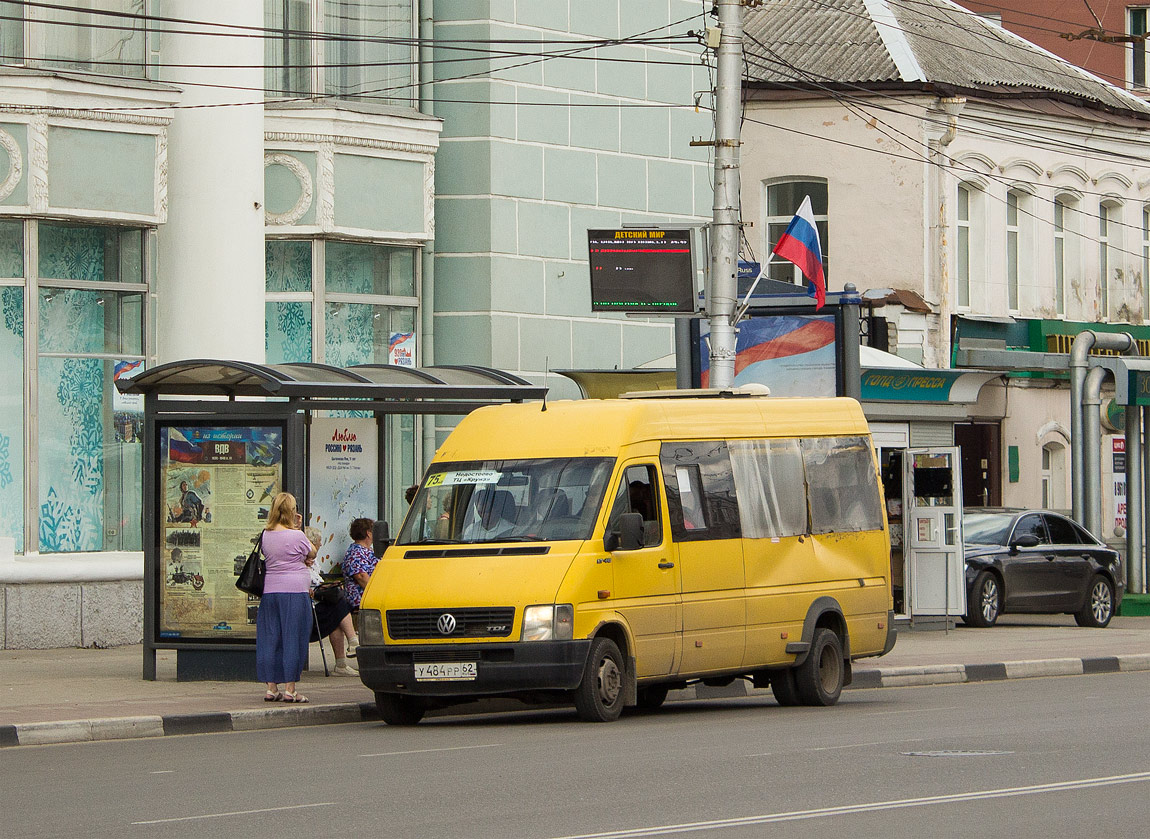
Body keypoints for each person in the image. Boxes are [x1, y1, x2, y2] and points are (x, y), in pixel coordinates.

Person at [256, 492, 316, 703]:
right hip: (295, 591)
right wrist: (298, 528)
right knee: (294, 638)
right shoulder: (296, 535)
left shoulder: (266, 534)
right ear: (292, 511)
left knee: (270, 638)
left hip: (270, 591)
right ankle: (290, 689)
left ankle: (271, 688)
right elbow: (313, 552)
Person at [304, 527, 359, 676]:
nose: (321, 544)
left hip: (318, 603)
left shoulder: (313, 562)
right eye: (319, 542)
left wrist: (328, 587)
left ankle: (342, 663)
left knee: (338, 608)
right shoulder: (301, 563)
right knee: (340, 605)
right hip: (309, 609)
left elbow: (317, 583)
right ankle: (353, 642)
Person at [342, 517, 378, 610]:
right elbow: (361, 576)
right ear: (368, 533)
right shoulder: (356, 552)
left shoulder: (368, 550)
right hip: (363, 600)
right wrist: (377, 593)